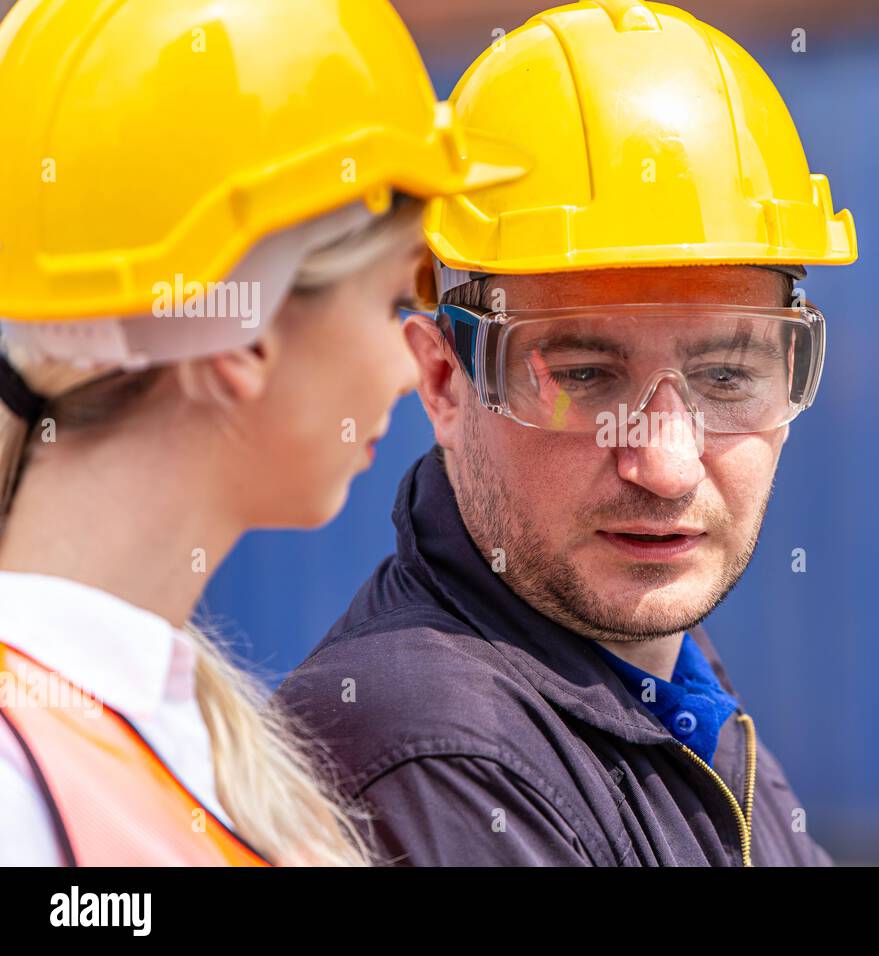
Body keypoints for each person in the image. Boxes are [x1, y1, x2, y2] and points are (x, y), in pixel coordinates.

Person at [276, 0, 856, 866]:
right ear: (443, 380)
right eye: (583, 377)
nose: (663, 463)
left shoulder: (665, 694)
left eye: (727, 377)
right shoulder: (432, 756)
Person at [0, 0, 526, 866]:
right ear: (244, 335)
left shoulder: (167, 734)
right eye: (395, 300)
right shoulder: (26, 786)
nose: (411, 365)